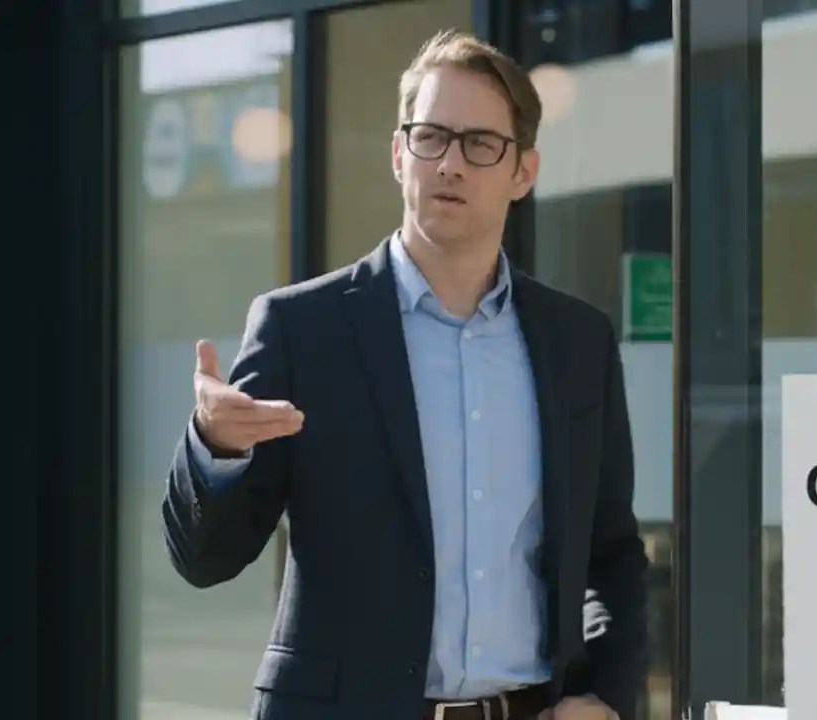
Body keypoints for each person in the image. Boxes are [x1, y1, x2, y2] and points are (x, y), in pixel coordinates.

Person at [162, 28, 647, 720]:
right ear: (399, 154)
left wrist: (606, 694)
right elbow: (204, 561)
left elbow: (612, 552)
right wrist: (216, 446)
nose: (450, 163)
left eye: (481, 144)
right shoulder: (304, 330)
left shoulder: (577, 342)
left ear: (523, 173)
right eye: (431, 137)